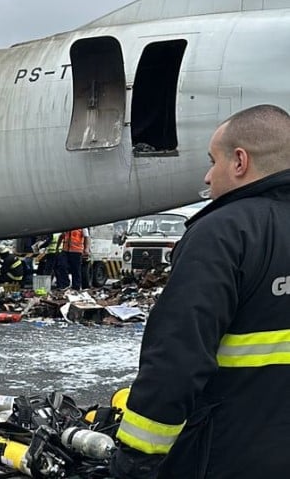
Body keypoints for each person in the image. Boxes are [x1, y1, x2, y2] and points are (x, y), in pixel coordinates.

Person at [110, 105, 290, 479]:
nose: (208, 176)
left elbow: (178, 356)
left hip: (228, 453)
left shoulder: (223, 233)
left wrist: (138, 455)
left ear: (240, 161)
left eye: (213, 161)